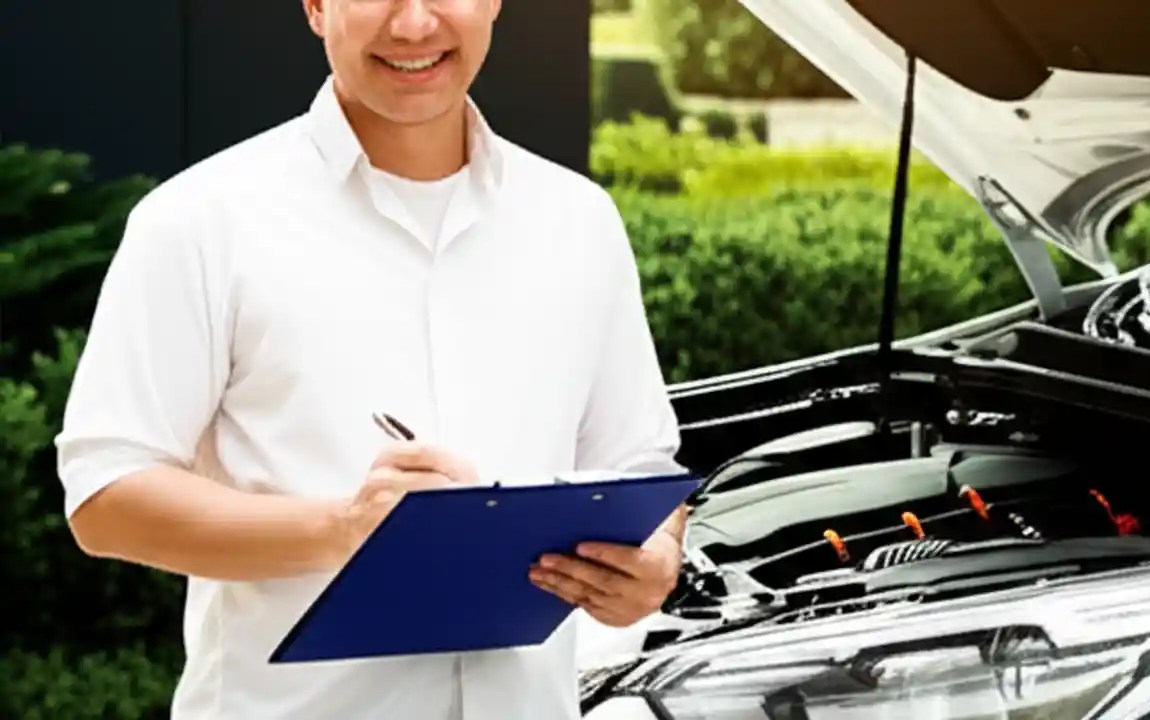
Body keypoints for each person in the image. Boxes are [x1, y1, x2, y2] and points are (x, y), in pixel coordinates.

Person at [53, 0, 687, 718]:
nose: (414, 25)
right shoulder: (200, 222)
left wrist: (656, 560)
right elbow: (105, 497)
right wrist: (343, 528)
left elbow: (640, 463)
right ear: (316, 6)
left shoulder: (579, 221)